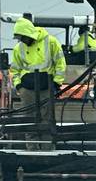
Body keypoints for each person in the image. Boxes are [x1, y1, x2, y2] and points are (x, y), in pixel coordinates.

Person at [9, 17, 66, 145]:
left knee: (47, 120)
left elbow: (60, 64)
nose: (21, 40)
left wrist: (57, 83)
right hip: (28, 90)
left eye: (22, 37)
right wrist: (19, 86)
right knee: (30, 120)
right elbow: (14, 69)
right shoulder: (19, 48)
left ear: (29, 34)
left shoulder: (51, 42)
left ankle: (47, 150)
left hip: (47, 88)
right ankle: (32, 150)